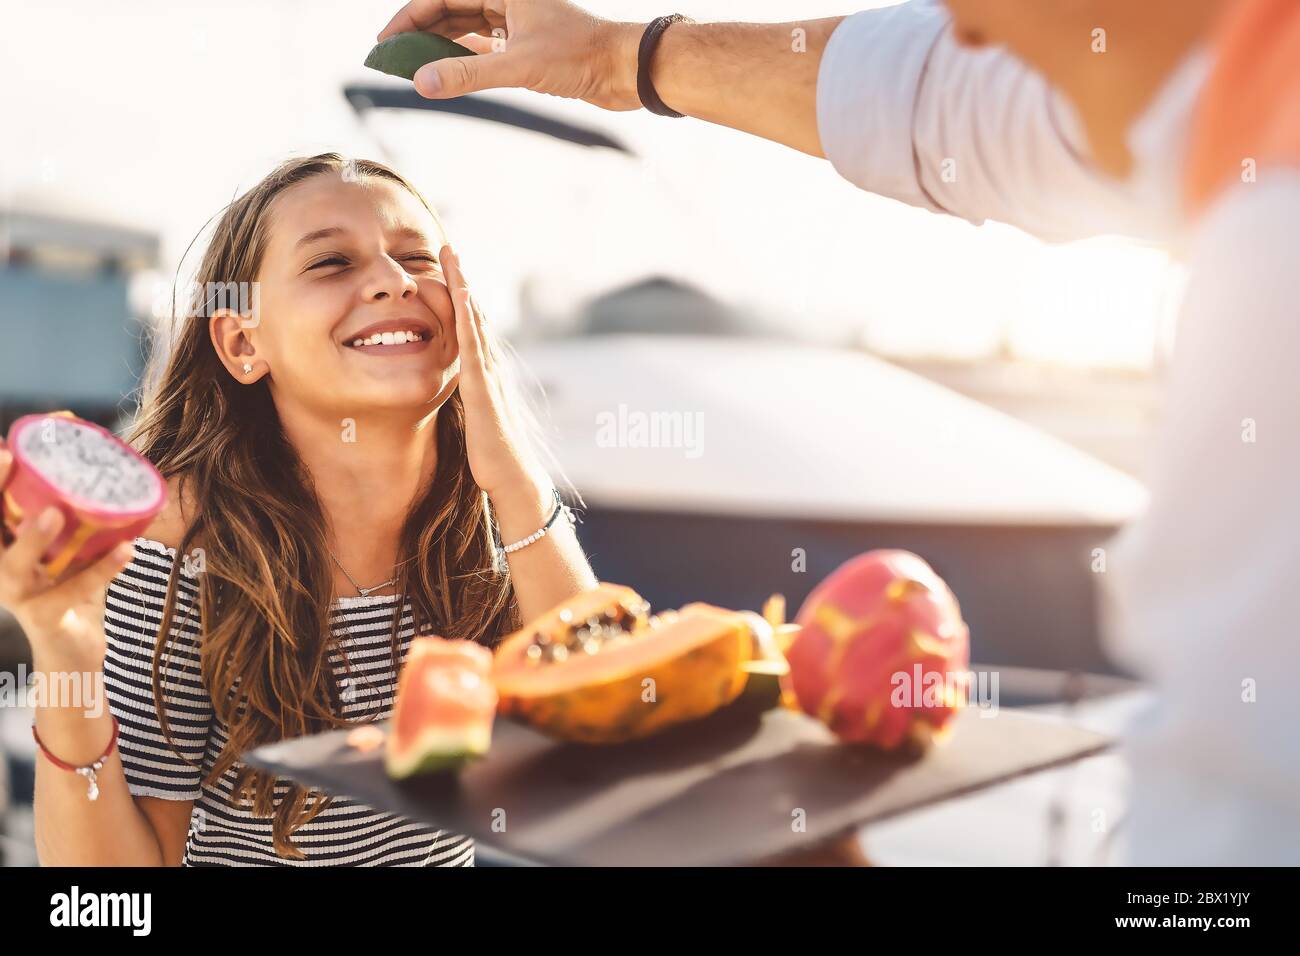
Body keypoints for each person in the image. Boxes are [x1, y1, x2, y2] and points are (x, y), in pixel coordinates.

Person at [375, 0, 1300, 864]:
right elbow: (938, 101)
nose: (960, 29)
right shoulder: (1223, 98)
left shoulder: (1274, 239)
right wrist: (618, 58)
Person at [0, 153, 597, 865]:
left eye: (416, 255)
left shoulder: (504, 519)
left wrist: (518, 481)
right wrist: (68, 657)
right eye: (331, 264)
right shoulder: (179, 548)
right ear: (243, 343)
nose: (391, 279)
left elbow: (603, 748)